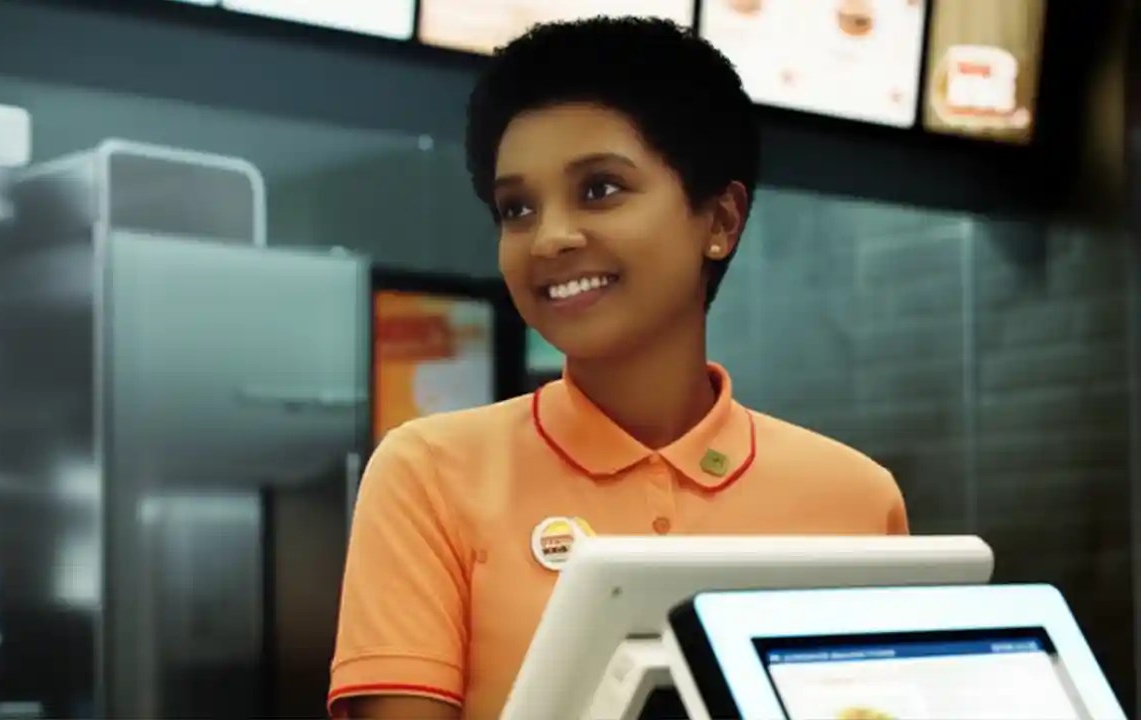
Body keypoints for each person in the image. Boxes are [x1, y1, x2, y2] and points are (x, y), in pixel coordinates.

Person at [328, 16, 908, 720]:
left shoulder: (855, 498)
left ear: (720, 221)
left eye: (599, 189)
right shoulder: (427, 473)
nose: (551, 237)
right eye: (517, 208)